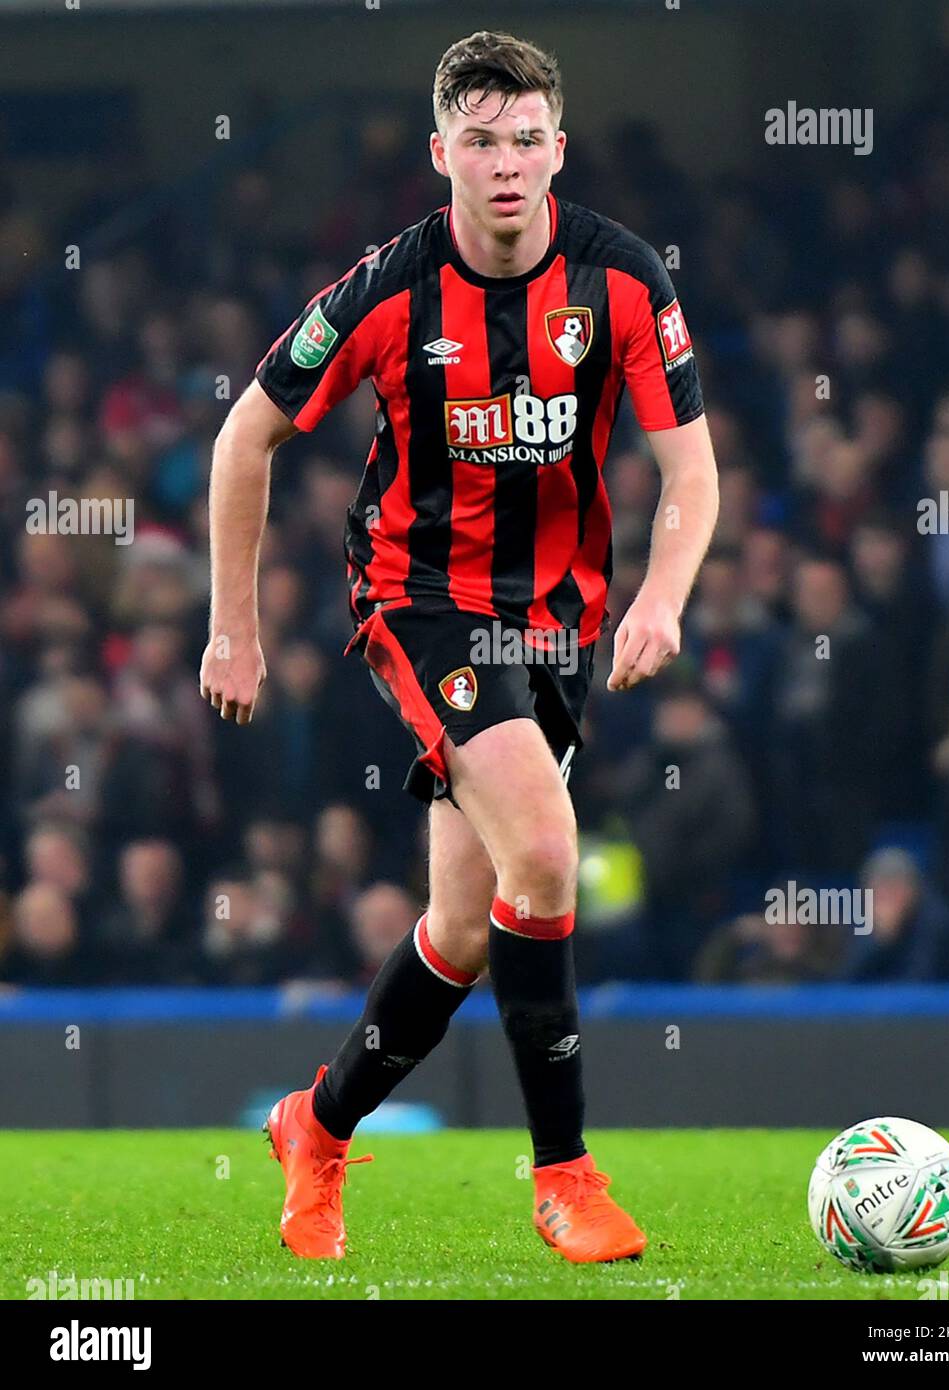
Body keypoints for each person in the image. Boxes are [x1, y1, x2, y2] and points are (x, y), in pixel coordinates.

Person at [199, 31, 718, 1264]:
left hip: (559, 626)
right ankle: (566, 1176)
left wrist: (663, 594)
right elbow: (241, 440)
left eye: (524, 138)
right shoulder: (384, 290)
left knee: (471, 929)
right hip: (419, 602)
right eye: (478, 140)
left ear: (557, 151)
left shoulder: (625, 280)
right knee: (547, 850)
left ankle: (314, 1129)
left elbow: (689, 465)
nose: (503, 163)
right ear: (442, 153)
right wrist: (234, 625)